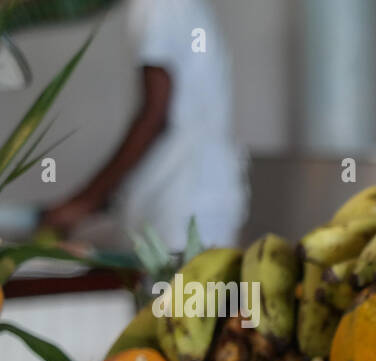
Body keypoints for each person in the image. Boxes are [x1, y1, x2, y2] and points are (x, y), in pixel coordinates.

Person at [39, 0, 246, 249]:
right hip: (193, 194)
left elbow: (155, 115)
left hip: (179, 203)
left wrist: (85, 202)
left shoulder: (156, 5)